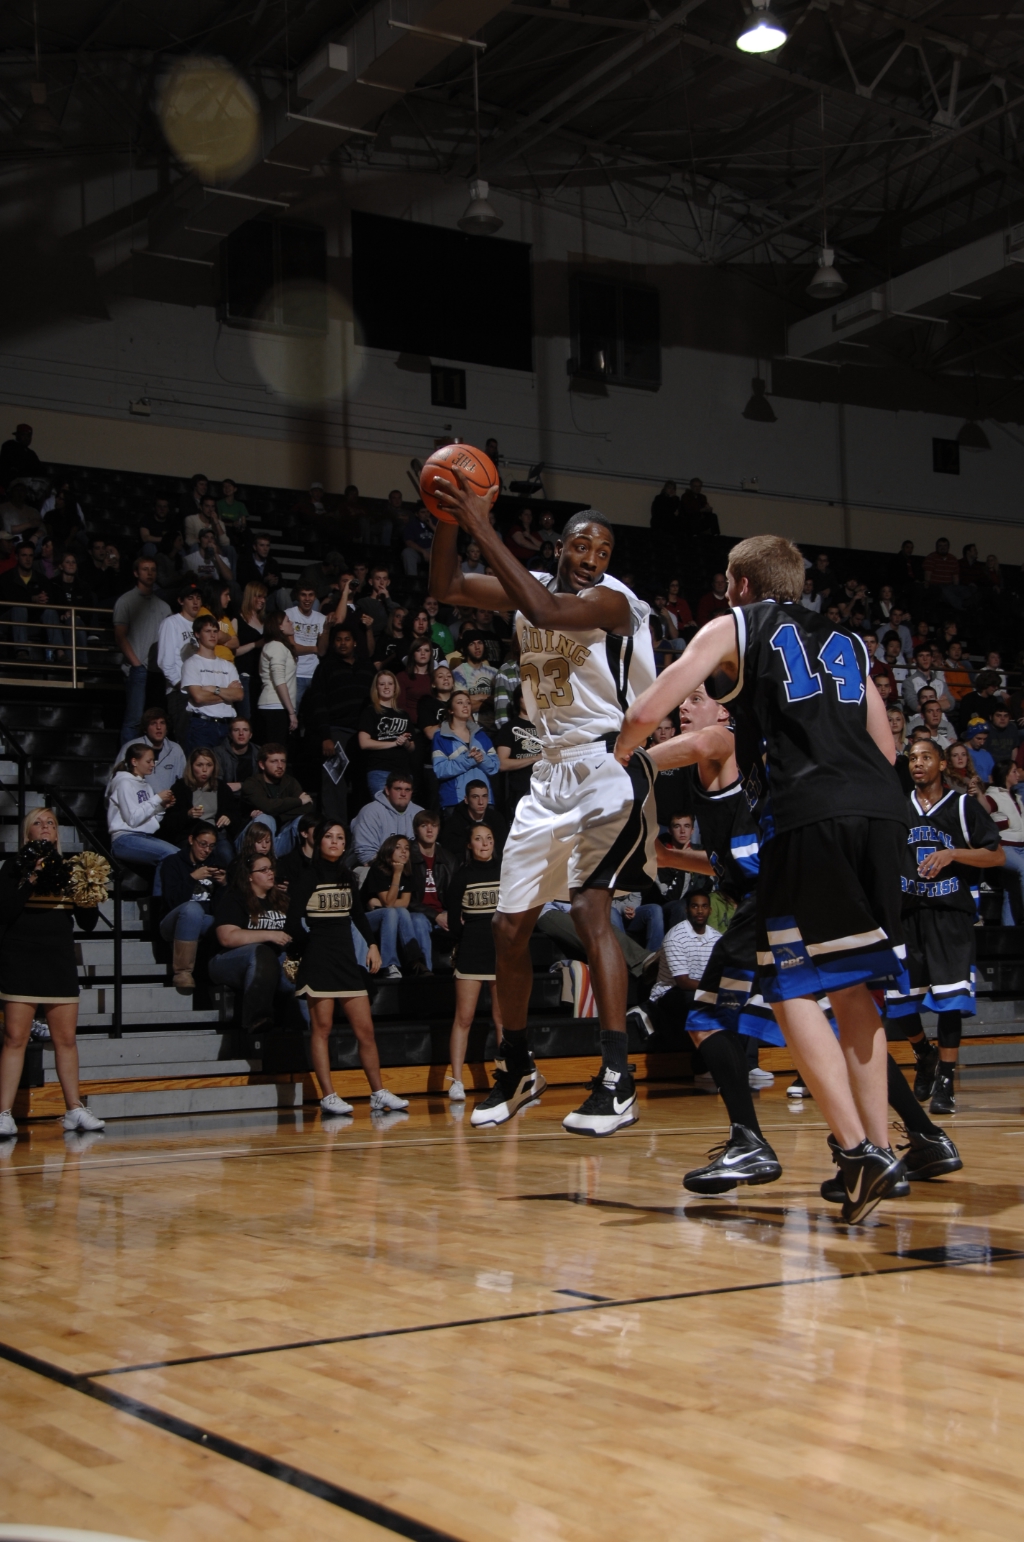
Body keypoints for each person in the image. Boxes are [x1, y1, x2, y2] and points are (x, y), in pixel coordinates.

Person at [617, 533, 912, 1223]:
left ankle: (857, 1149)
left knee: (788, 983)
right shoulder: (849, 641)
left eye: (727, 583)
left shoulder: (736, 625)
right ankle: (875, 1154)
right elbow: (887, 746)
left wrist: (618, 758)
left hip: (808, 815)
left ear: (739, 585)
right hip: (881, 815)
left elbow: (645, 710)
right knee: (854, 984)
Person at [430, 490, 657, 1138]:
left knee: (590, 910)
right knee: (506, 929)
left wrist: (480, 522)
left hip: (608, 765)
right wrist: (447, 520)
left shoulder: (612, 601)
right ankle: (517, 1065)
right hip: (548, 772)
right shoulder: (529, 587)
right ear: (560, 547)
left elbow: (546, 606)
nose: (592, 558)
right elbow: (444, 583)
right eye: (581, 545)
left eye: (602, 550)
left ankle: (617, 1080)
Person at [638, 687, 785, 1190]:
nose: (683, 706)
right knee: (829, 1028)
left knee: (705, 1015)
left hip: (770, 901)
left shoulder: (723, 738)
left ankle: (749, 1140)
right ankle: (917, 1136)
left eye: (695, 697)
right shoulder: (726, 769)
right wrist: (675, 858)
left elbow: (700, 746)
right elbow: (732, 862)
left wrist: (627, 761)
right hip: (770, 894)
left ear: (723, 709)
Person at [886, 738, 1004, 1115]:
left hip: (950, 914)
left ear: (941, 764)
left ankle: (947, 1081)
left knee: (950, 1001)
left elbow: (996, 854)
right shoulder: (896, 808)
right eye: (913, 758)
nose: (917, 764)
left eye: (925, 757)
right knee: (899, 1000)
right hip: (906, 914)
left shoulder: (964, 806)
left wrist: (953, 853)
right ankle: (924, 1053)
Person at [285, 821, 409, 1119]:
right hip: (319, 963)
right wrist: (308, 949)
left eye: (340, 838)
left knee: (365, 1030)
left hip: (346, 962)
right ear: (319, 840)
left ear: (345, 845)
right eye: (328, 836)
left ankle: (378, 1093)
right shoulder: (306, 877)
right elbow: (291, 923)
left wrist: (372, 945)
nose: (334, 842)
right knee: (322, 1029)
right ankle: (328, 1095)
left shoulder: (348, 877)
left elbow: (358, 915)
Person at [0, 808, 106, 1139]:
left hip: (59, 960)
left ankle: (74, 1109)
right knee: (15, 1037)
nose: (45, 827)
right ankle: (3, 1114)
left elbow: (88, 923)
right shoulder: (13, 867)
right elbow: (4, 911)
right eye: (38, 823)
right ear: (27, 833)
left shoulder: (73, 869)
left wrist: (88, 891)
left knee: (66, 1039)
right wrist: (30, 877)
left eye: (51, 823)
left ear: (57, 833)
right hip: (20, 958)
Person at [445, 824, 503, 1101]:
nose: (484, 844)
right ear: (469, 844)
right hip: (471, 952)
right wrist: (465, 938)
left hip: (501, 953)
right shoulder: (461, 877)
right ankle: (456, 1081)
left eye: (488, 839)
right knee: (464, 1018)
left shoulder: (507, 872)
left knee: (503, 1020)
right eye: (478, 839)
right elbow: (453, 922)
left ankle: (508, 1078)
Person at [210, 853, 295, 1032]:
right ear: (249, 876)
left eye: (271, 868)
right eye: (263, 870)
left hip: (276, 959)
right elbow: (227, 937)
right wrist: (269, 935)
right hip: (231, 961)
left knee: (301, 972)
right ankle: (256, 1020)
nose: (270, 873)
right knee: (262, 952)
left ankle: (308, 1033)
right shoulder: (234, 899)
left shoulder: (283, 901)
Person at [156, 822, 227, 992]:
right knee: (192, 909)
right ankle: (182, 972)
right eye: (202, 844)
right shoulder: (172, 862)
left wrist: (223, 885)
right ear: (191, 840)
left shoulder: (216, 864)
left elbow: (219, 910)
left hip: (202, 920)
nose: (206, 850)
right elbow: (172, 901)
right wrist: (192, 878)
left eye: (211, 846)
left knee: (224, 925)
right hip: (173, 921)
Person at [113, 556, 172, 743]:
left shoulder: (163, 606)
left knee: (156, 721)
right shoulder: (126, 601)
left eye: (153, 569)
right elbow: (120, 635)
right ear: (136, 573)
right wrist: (136, 664)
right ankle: (125, 764)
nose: (150, 573)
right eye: (145, 569)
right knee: (134, 720)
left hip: (158, 671)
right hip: (137, 668)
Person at [361, 834, 434, 978]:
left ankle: (421, 963)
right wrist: (396, 874)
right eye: (398, 848)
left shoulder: (407, 871)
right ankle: (389, 964)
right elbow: (389, 904)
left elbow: (404, 903)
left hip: (393, 913)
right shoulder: (378, 869)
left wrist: (379, 903)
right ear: (389, 850)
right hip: (367, 919)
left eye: (406, 848)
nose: (403, 852)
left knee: (417, 918)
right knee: (391, 913)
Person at [160, 748, 239, 868]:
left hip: (216, 835)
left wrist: (228, 817)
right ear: (191, 766)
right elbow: (169, 821)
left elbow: (234, 812)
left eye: (209, 765)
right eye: (200, 765)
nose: (204, 770)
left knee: (226, 855)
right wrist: (188, 815)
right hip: (190, 836)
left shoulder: (221, 787)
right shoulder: (180, 787)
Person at [179, 615, 244, 753]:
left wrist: (215, 689)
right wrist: (227, 693)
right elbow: (198, 697)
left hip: (227, 725)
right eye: (208, 631)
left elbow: (239, 695)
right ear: (197, 634)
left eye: (215, 631)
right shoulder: (191, 664)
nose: (213, 635)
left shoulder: (227, 665)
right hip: (202, 725)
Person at [107, 742, 178, 866]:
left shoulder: (146, 786)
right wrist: (156, 799)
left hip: (144, 836)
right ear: (134, 762)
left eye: (153, 761)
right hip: (124, 838)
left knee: (180, 855)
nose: (152, 765)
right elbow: (133, 819)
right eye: (148, 761)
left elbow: (150, 820)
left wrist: (162, 807)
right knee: (170, 855)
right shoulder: (124, 783)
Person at [239, 744, 314, 856]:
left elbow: (307, 806)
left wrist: (277, 815)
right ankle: (259, 863)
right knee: (265, 818)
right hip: (251, 843)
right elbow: (268, 806)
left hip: (280, 839)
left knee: (301, 821)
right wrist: (298, 801)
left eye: (282, 761)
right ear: (262, 764)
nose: (280, 766)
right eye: (274, 761)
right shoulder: (251, 783)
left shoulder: (290, 782)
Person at [432, 690, 500, 811]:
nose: (465, 706)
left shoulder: (481, 735)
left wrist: (482, 759)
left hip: (483, 801)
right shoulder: (441, 736)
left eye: (468, 703)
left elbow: (495, 767)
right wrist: (470, 760)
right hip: (455, 800)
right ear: (451, 710)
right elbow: (440, 770)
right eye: (459, 702)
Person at [156, 583, 203, 742]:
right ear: (181, 601)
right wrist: (180, 685)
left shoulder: (201, 625)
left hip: (201, 692)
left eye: (198, 598)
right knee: (183, 740)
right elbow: (165, 661)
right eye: (190, 598)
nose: (195, 602)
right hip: (180, 693)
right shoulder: (171, 623)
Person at [358, 670, 414, 795]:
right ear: (376, 688)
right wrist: (394, 743)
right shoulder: (370, 712)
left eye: (390, 683)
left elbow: (412, 747)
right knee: (384, 808)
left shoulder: (404, 714)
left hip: (403, 772)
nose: (386, 687)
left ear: (395, 687)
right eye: (382, 684)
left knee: (401, 811)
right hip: (380, 769)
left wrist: (405, 743)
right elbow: (364, 742)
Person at [351, 773, 423, 865]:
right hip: (374, 869)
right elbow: (366, 855)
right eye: (398, 789)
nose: (403, 794)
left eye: (407, 790)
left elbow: (428, 849)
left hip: (411, 870)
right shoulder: (370, 812)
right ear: (387, 790)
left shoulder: (420, 813)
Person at [492, 686, 542, 819]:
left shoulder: (545, 726)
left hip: (545, 786)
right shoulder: (508, 728)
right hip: (521, 788)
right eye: (525, 696)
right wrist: (534, 758)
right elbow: (502, 763)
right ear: (517, 700)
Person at [985, 762, 1024, 925]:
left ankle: (1008, 933)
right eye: (1014, 771)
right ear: (1005, 775)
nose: (1018, 774)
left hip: (1020, 846)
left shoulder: (1015, 796)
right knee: (1023, 869)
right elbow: (984, 813)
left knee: (1011, 890)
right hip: (1004, 847)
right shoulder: (992, 795)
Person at [255, 610, 299, 744]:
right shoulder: (276, 646)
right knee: (274, 752)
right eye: (287, 621)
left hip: (278, 706)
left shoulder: (278, 646)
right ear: (279, 626)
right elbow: (279, 680)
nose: (291, 623)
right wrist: (291, 712)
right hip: (275, 707)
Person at [439, 779, 509, 857]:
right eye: (475, 797)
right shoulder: (454, 822)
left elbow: (503, 848)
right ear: (466, 799)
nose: (481, 802)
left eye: (484, 796)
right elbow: (449, 852)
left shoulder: (496, 819)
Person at [286, 584, 330, 705]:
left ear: (315, 597)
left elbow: (322, 651)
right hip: (294, 673)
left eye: (311, 595)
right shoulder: (288, 614)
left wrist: (326, 630)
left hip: (314, 674)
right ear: (297, 596)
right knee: (293, 712)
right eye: (303, 595)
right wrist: (315, 648)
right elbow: (292, 648)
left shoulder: (321, 618)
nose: (307, 599)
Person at [453, 630, 498, 719]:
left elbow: (501, 700)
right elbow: (463, 705)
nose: (477, 647)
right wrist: (489, 699)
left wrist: (474, 698)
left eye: (480, 643)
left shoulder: (495, 672)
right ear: (466, 648)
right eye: (472, 644)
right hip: (471, 724)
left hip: (494, 724)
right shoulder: (458, 673)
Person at [213, 717, 260, 792]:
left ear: (250, 735)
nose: (241, 733)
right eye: (236, 730)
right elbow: (216, 781)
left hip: (252, 795)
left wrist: (241, 785)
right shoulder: (218, 752)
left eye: (245, 730)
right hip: (226, 794)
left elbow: (263, 782)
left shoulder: (258, 752)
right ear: (230, 734)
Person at [417, 662, 455, 744]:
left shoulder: (459, 701)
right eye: (440, 676)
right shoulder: (426, 702)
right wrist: (455, 721)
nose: (446, 678)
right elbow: (430, 733)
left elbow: (471, 726)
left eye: (449, 676)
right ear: (433, 684)